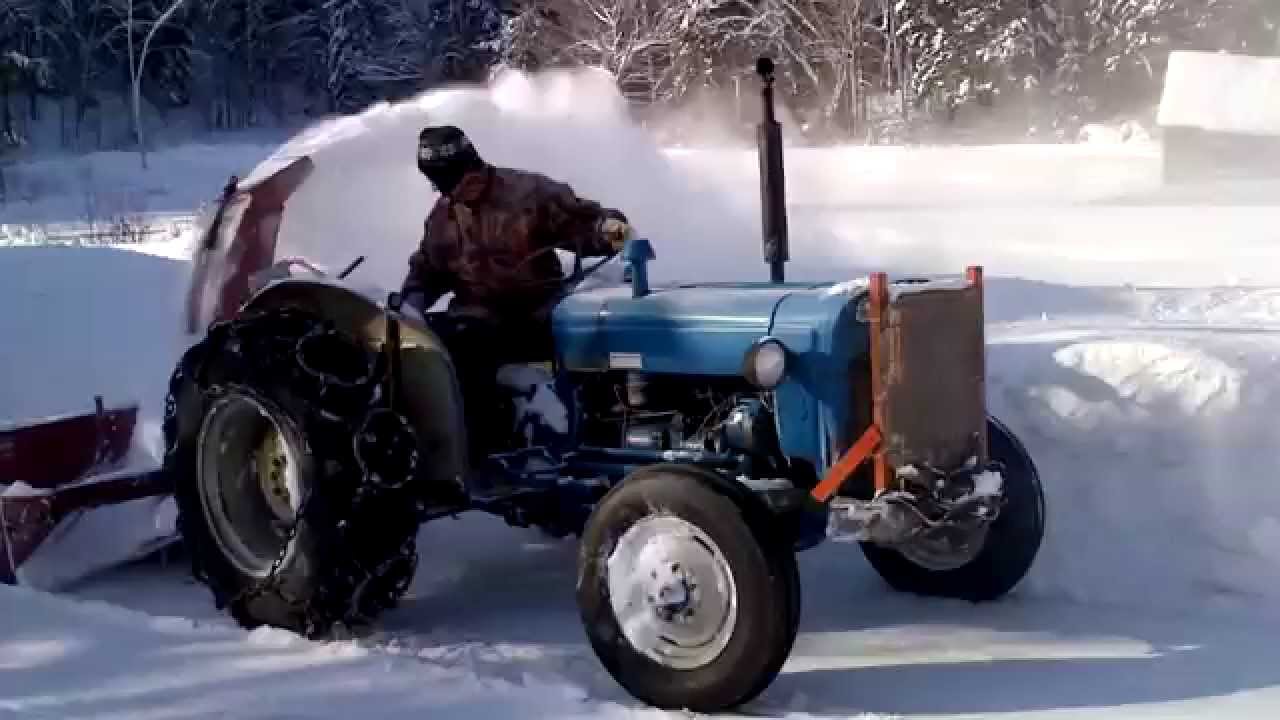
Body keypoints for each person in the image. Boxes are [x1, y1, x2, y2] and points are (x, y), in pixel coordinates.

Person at [399, 124, 634, 464]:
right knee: (425, 351)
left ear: (472, 165)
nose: (451, 193)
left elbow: (585, 221)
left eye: (454, 182)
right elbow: (428, 269)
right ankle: (449, 454)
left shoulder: (528, 194)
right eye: (440, 185)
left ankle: (499, 453)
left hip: (535, 314)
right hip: (475, 317)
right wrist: (412, 300)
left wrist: (606, 228)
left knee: (471, 350)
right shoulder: (443, 218)